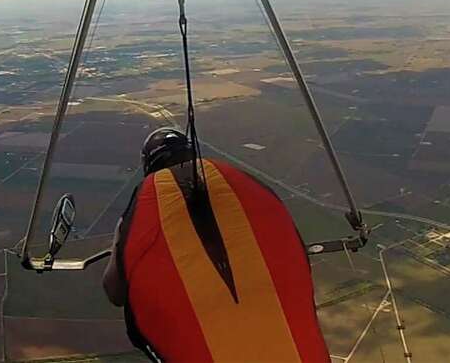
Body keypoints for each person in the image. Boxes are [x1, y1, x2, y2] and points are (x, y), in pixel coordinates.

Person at [102, 127, 330, 362]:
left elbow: (114, 291)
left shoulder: (145, 205)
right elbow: (293, 251)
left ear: (149, 165)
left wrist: (122, 245)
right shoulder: (244, 187)